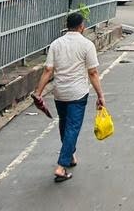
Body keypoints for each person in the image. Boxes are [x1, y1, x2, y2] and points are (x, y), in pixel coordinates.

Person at [34, 12, 104, 183]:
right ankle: (61, 166)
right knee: (72, 128)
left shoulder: (56, 44)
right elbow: (93, 72)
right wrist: (100, 95)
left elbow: (48, 70)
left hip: (60, 92)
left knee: (64, 125)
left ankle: (70, 156)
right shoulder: (87, 45)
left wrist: (38, 93)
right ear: (82, 26)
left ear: (67, 26)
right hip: (77, 93)